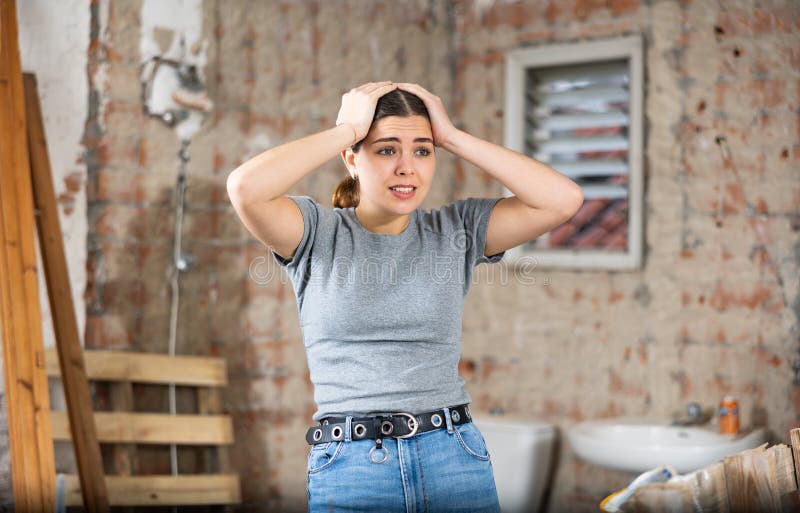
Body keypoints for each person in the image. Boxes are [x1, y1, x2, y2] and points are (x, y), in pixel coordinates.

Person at [227, 81, 583, 512]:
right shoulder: (315, 233)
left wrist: (450, 136)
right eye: (385, 149)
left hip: (454, 456)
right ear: (352, 159)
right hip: (353, 466)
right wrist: (346, 129)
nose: (406, 168)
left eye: (422, 150)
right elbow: (246, 188)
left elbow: (563, 200)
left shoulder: (457, 230)